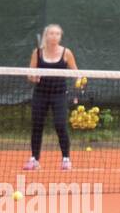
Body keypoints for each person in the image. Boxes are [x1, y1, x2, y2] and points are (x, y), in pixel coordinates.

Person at [24, 24, 79, 172]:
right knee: (37, 126)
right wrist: (33, 77)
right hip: (40, 94)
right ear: (46, 36)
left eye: (57, 34)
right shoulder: (37, 53)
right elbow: (30, 74)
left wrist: (79, 82)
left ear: (60, 37)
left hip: (59, 94)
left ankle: (66, 159)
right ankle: (34, 159)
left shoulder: (66, 53)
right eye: (51, 34)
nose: (54, 36)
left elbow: (76, 73)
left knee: (60, 125)